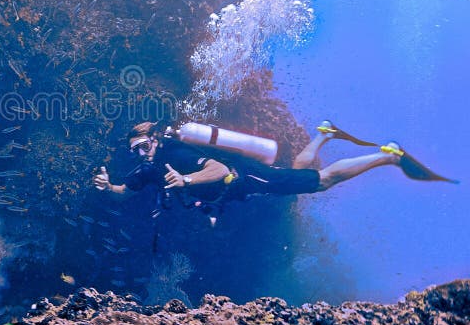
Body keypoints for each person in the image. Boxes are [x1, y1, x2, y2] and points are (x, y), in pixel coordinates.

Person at [92, 120, 454, 225]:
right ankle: (323, 134)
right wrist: (109, 186)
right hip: (245, 187)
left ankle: (387, 156)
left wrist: (186, 179)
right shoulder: (150, 168)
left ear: (156, 139)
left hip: (247, 177)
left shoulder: (175, 150)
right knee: (296, 174)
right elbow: (126, 191)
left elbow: (217, 168)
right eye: (135, 151)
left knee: (321, 182)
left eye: (144, 145)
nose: (142, 153)